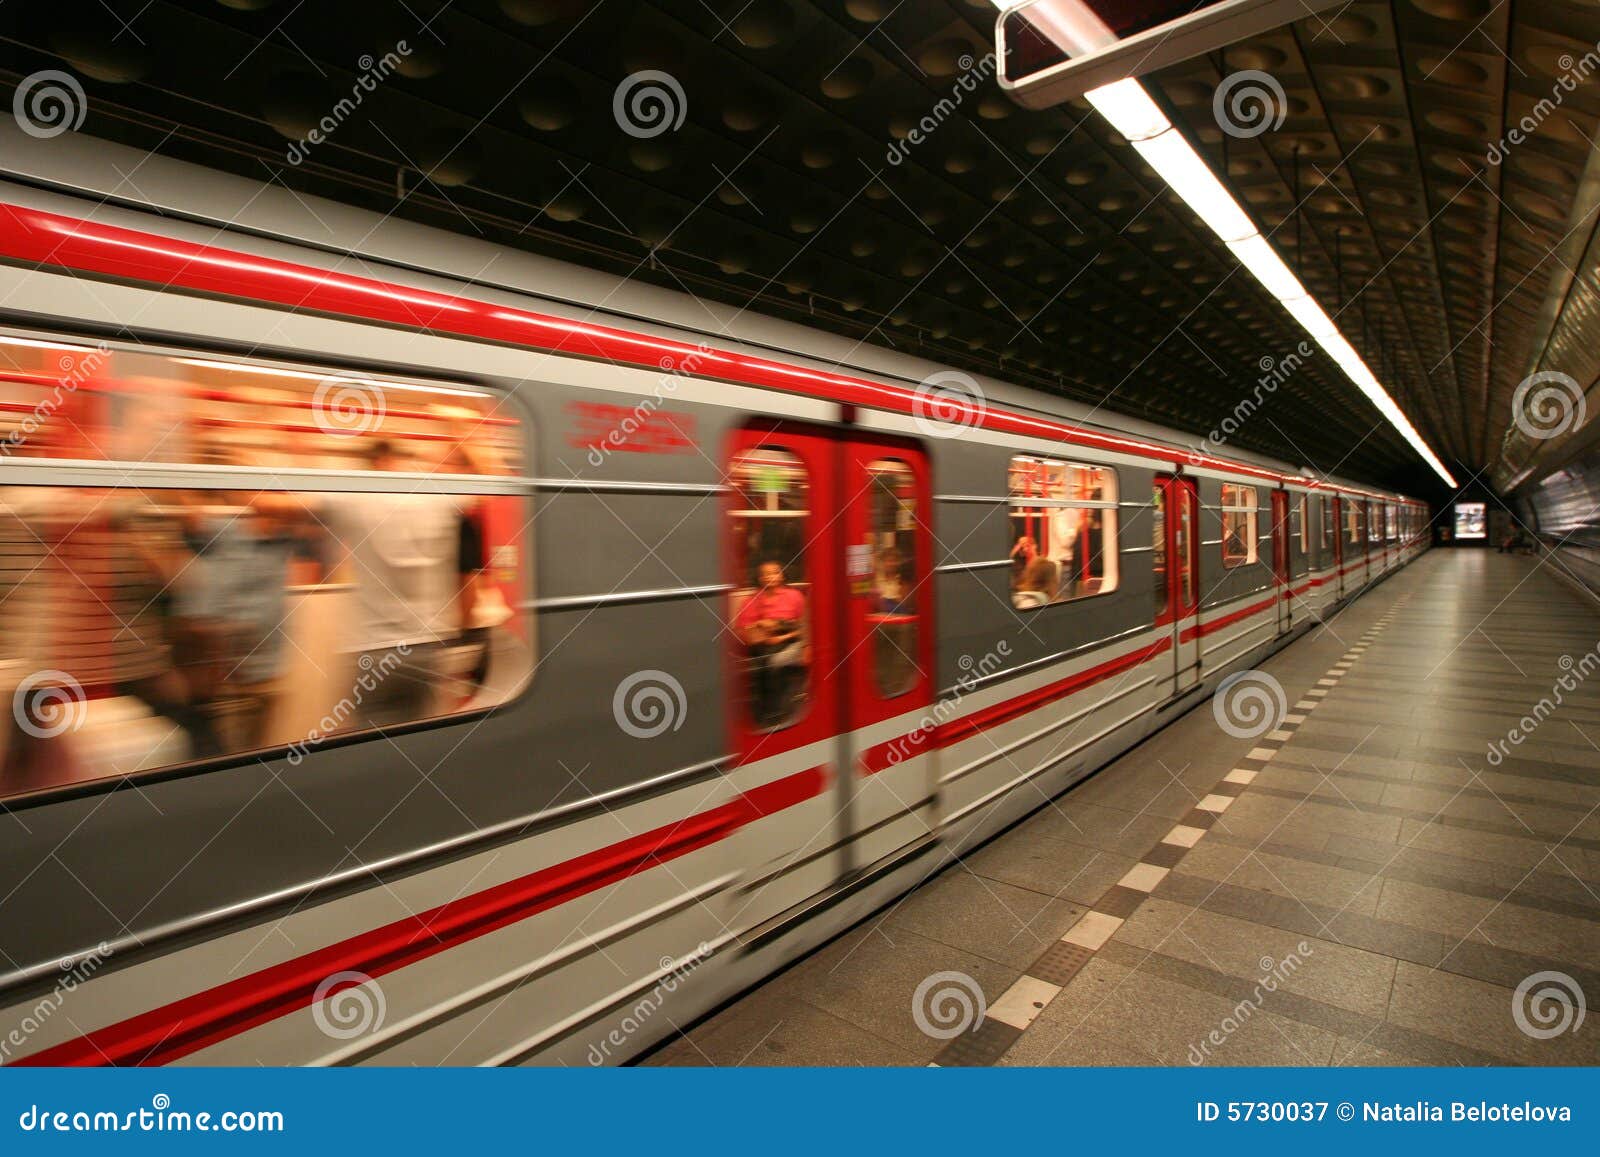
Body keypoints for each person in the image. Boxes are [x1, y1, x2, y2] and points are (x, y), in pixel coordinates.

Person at [734, 560, 808, 728]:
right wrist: (762, 628)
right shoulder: (751, 600)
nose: (771, 577)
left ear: (781, 575)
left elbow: (805, 626)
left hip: (792, 641)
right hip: (762, 645)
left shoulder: (794, 596)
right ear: (760, 578)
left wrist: (785, 636)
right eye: (766, 574)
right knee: (760, 663)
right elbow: (744, 630)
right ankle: (765, 712)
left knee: (773, 662)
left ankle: (776, 712)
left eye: (775, 572)